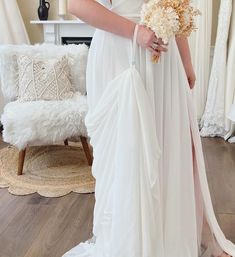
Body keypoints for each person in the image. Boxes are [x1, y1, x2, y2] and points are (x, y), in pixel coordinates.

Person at [63, 0, 235, 256]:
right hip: (120, 55)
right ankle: (135, 241)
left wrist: (186, 59)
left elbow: (175, 5)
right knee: (132, 149)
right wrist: (136, 32)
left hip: (165, 58)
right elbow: (76, 5)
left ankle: (187, 233)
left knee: (175, 145)